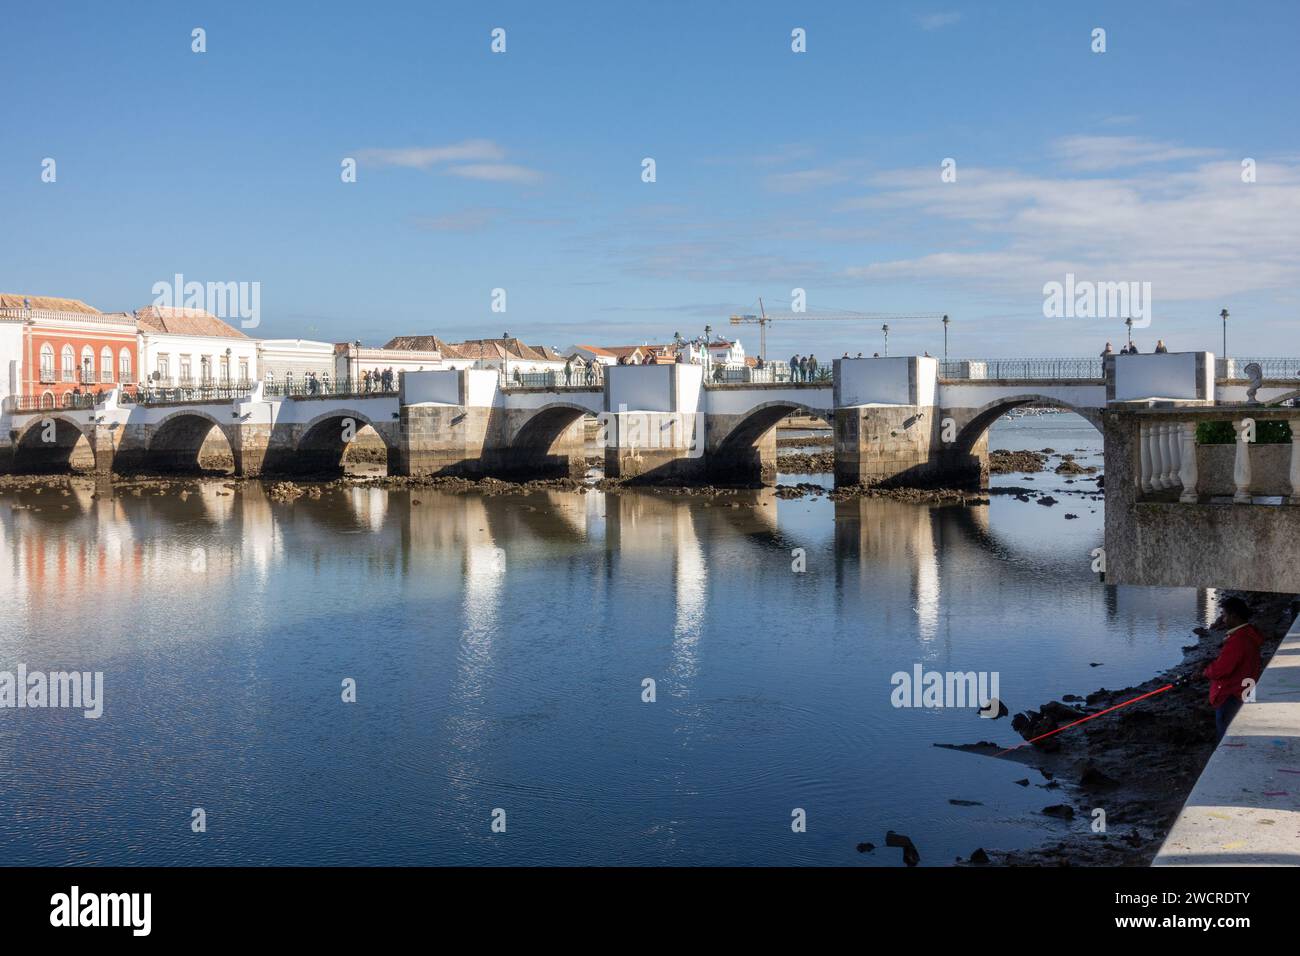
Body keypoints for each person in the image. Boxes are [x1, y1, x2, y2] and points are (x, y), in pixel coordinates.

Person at [1204, 597, 1264, 742]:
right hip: (1246, 690)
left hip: (1231, 696)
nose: (1222, 619)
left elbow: (1221, 669)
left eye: (1224, 615)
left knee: (1227, 737)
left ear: (1234, 616)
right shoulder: (1250, 633)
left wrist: (1205, 672)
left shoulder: (1238, 639)